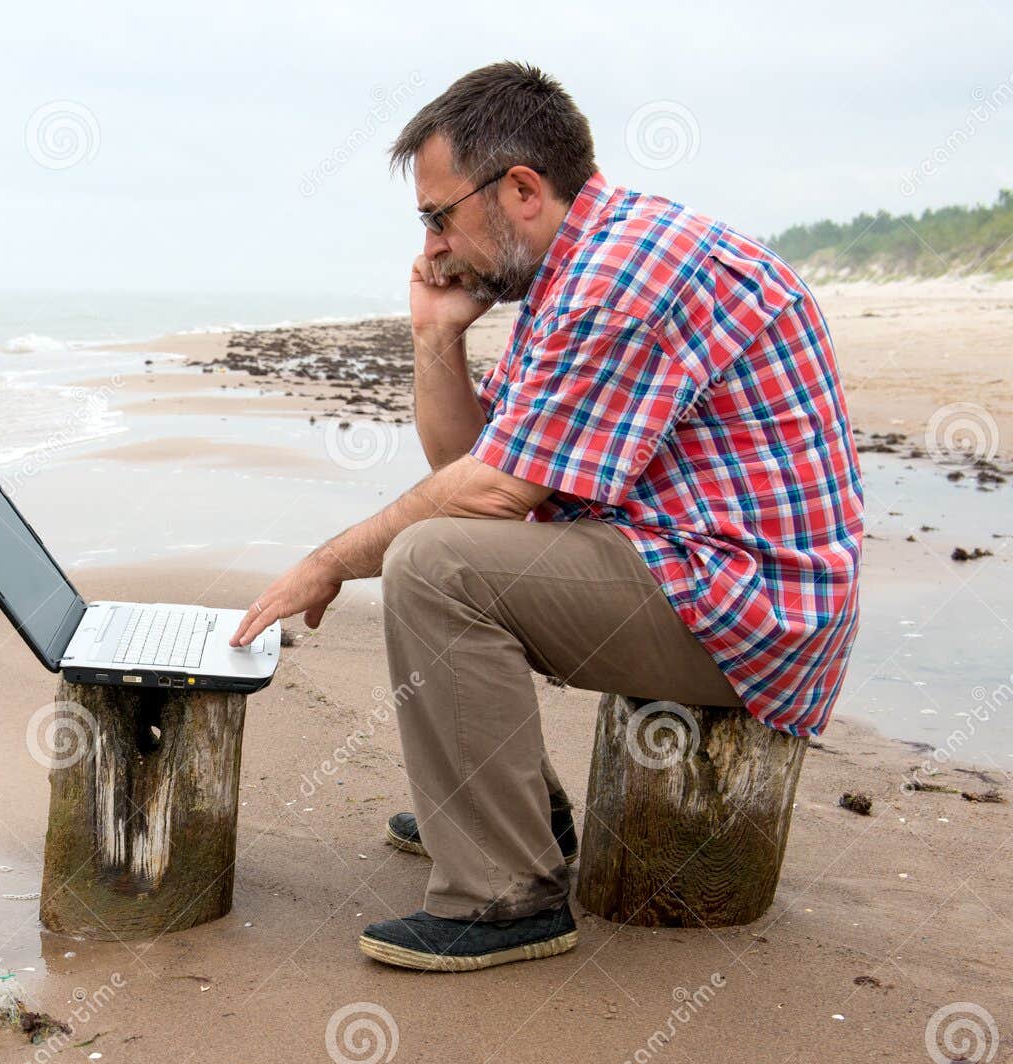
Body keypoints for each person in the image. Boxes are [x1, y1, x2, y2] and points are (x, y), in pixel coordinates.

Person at [229, 62, 863, 972]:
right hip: (693, 569)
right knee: (444, 550)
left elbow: (491, 495)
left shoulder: (620, 276)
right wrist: (435, 335)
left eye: (438, 215)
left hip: (752, 609)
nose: (433, 242)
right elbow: (472, 468)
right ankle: (521, 816)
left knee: (433, 565)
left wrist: (328, 561)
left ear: (522, 189)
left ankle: (506, 897)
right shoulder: (578, 267)